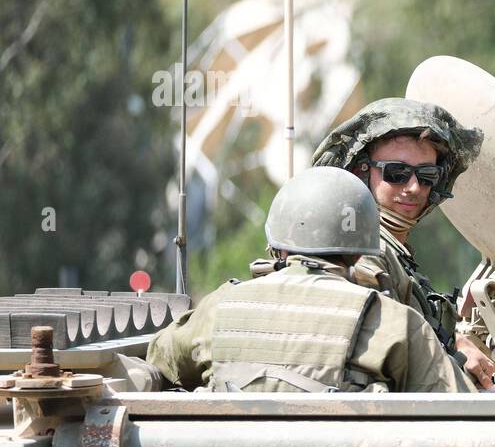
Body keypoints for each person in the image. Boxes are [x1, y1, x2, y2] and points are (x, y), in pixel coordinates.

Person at [146, 166, 475, 393]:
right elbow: (456, 409)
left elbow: (160, 361)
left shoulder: (220, 308)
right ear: (361, 252)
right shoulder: (395, 324)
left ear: (276, 245)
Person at [312, 98, 495, 389]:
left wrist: (453, 340)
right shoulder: (360, 254)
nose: (413, 188)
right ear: (361, 171)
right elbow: (387, 353)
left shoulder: (390, 251)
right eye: (396, 173)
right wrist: (455, 357)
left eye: (426, 176)